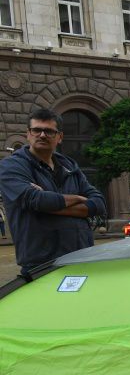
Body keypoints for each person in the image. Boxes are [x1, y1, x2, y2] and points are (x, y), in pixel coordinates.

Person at [0, 108, 107, 274]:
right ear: (28, 134)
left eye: (49, 131)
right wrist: (79, 198)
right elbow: (35, 199)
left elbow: (99, 203)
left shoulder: (70, 166)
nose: (42, 135)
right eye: (36, 130)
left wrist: (48, 204)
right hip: (42, 265)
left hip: (81, 258)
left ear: (60, 137)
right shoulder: (12, 166)